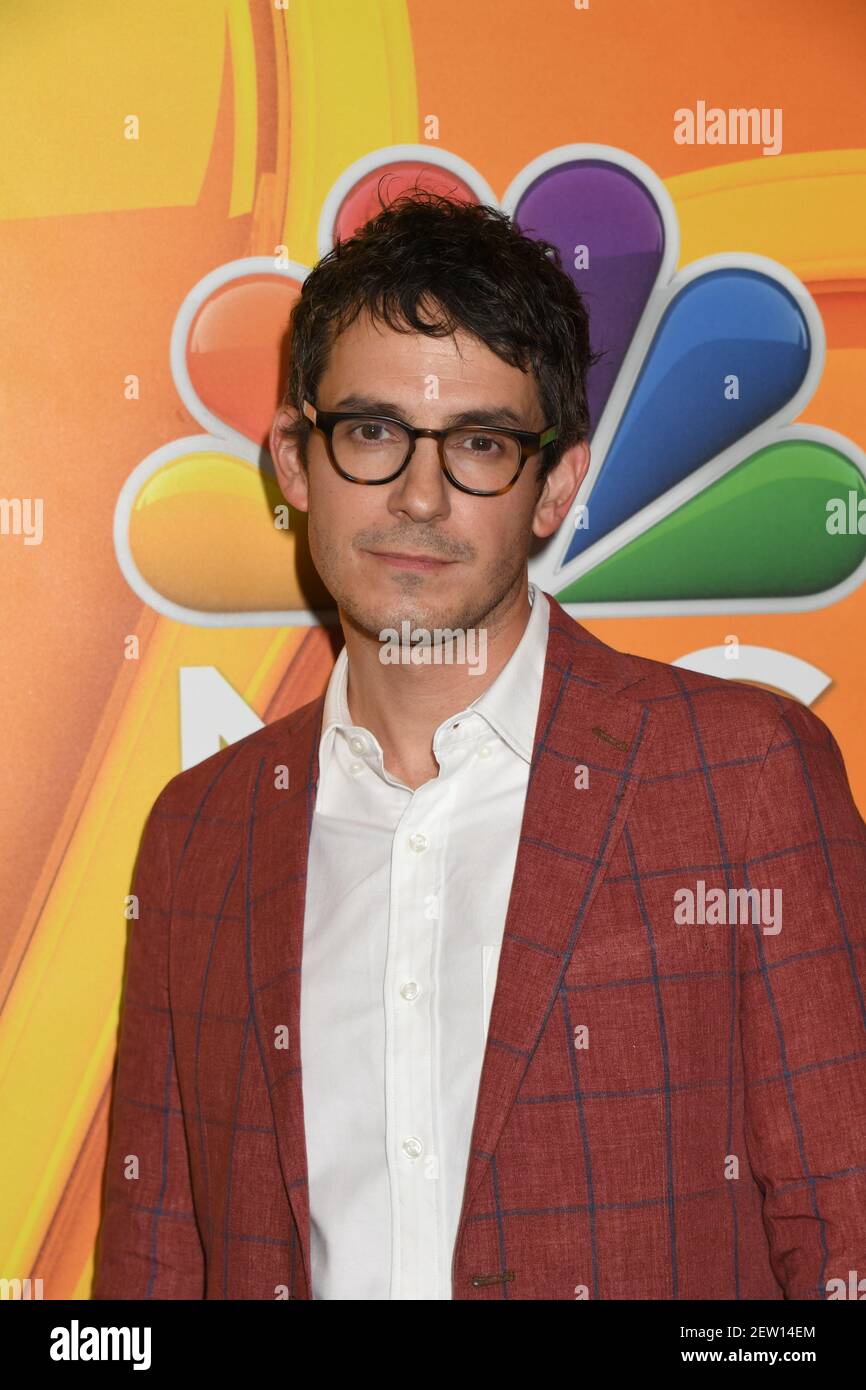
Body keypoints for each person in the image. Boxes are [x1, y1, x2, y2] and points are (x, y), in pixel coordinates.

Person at [93, 190, 866, 1300]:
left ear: (553, 483)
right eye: (370, 432)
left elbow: (845, 1225)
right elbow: (152, 1271)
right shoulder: (199, 832)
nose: (417, 494)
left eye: (478, 444)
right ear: (293, 462)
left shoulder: (737, 778)